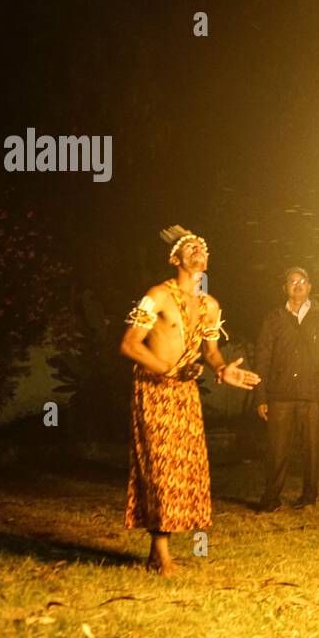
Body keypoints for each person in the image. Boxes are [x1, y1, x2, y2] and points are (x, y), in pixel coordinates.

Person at [119, 226, 260, 575]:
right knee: (160, 467)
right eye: (191, 247)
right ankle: (161, 554)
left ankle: (158, 552)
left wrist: (223, 369)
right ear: (175, 259)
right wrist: (165, 369)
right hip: (155, 389)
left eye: (203, 248)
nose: (199, 252)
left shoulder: (210, 306)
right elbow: (129, 344)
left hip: (186, 392)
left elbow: (210, 352)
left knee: (183, 469)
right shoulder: (157, 295)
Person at [254, 267, 319, 511]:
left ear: (310, 287)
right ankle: (270, 498)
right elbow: (263, 358)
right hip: (280, 394)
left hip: (313, 394)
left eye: (302, 281)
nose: (297, 285)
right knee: (276, 449)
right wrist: (260, 396)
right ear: (285, 288)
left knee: (313, 449)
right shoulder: (274, 318)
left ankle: (309, 496)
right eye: (292, 281)